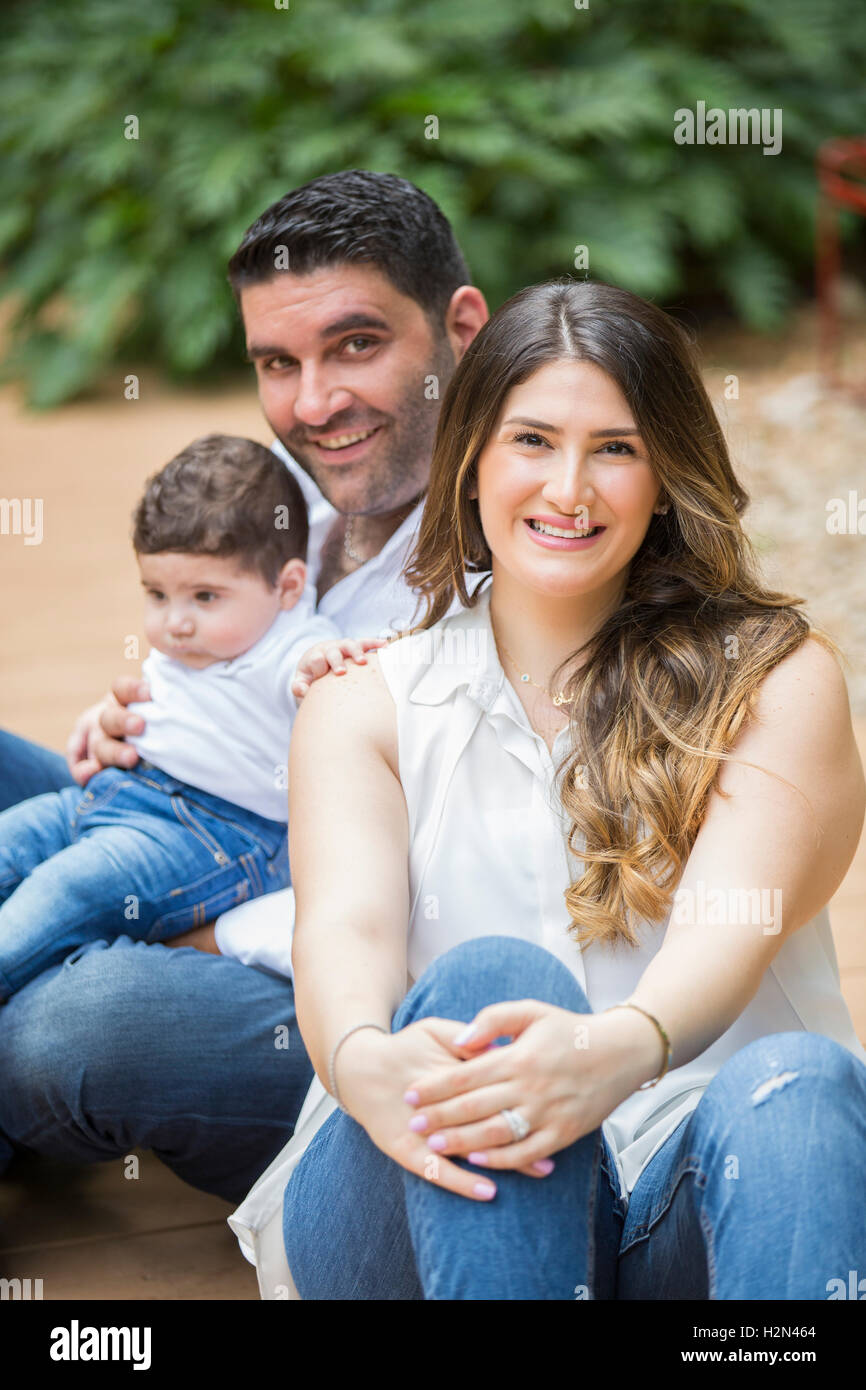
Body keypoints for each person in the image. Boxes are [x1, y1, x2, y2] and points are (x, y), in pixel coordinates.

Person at [281, 279, 866, 1300]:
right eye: (531, 442)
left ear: (665, 473)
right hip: (408, 1197)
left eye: (615, 447)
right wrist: (358, 1058)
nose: (567, 490)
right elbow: (344, 934)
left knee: (804, 1083)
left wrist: (617, 1051)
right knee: (486, 986)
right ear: (467, 462)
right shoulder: (363, 703)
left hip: (681, 1211)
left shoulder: (774, 679)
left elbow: (726, 932)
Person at [0, 171, 488, 1200]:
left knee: (78, 1024)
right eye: (278, 362)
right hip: (178, 816)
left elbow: (438, 901)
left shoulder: (509, 554)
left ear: (460, 329)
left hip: (337, 980)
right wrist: (136, 713)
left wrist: (184, 925)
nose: (313, 403)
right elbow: (214, 639)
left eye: (356, 345)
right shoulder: (302, 477)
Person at [0, 433, 380, 996]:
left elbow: (306, 670)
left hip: (215, 835)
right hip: (119, 795)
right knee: (12, 841)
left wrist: (323, 664)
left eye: (204, 597)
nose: (174, 622)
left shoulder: (288, 644)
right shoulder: (202, 639)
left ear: (287, 586)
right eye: (156, 594)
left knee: (64, 893)